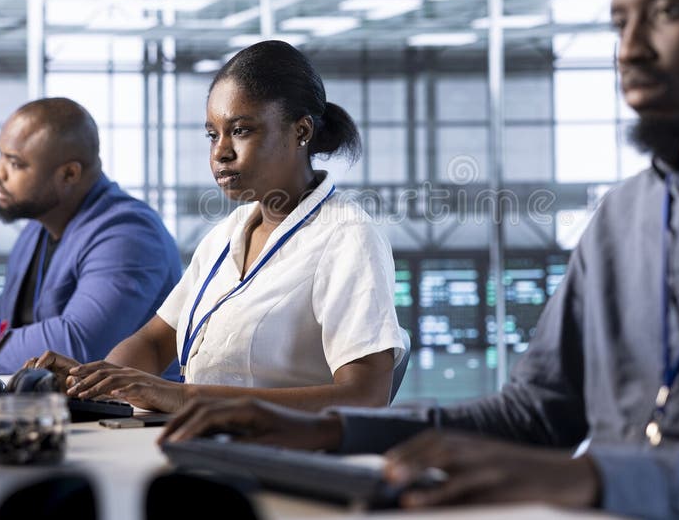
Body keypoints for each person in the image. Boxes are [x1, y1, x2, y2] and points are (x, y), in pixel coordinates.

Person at [156, 0, 679, 519]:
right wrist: (327, 431)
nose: (630, 49)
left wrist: (591, 478)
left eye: (666, 13)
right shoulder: (626, 216)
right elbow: (535, 412)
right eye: (619, 21)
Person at [29, 40, 407, 413]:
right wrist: (94, 381)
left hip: (278, 450)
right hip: (200, 439)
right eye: (213, 134)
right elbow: (154, 343)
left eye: (240, 131)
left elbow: (365, 397)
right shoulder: (227, 234)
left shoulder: (348, 237)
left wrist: (182, 397)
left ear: (301, 132)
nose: (220, 152)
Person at [0, 97, 183, 377]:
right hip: (58, 398)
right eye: (1, 155)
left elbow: (77, 343)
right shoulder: (38, 228)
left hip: (126, 405)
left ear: (69, 174)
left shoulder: (129, 234)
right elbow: (3, 314)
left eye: (15, 163)